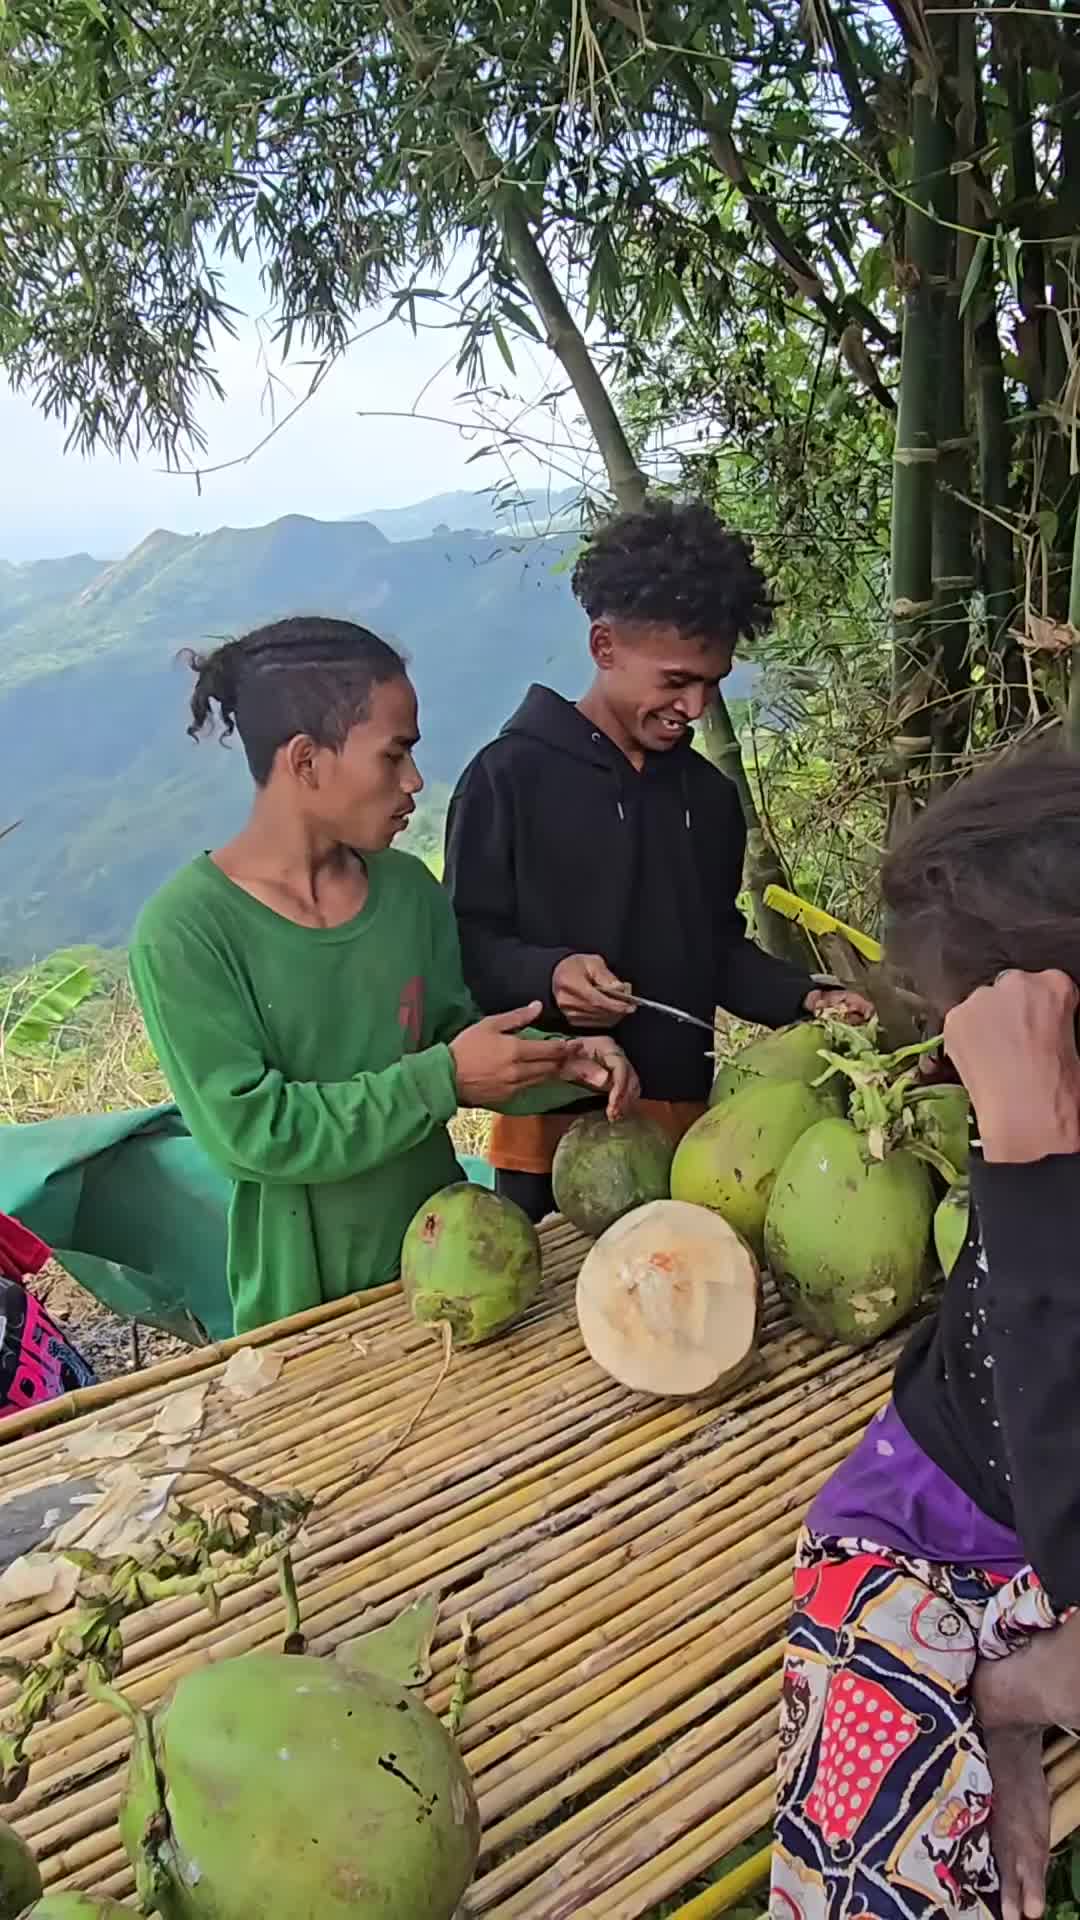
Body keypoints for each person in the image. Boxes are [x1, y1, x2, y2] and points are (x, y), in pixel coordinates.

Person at [129, 617, 638, 1336]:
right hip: (304, 1305)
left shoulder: (406, 892)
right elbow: (253, 1132)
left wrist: (561, 1060)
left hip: (454, 1264)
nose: (415, 782)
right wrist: (444, 1082)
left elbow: (449, 1036)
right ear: (306, 761)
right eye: (395, 754)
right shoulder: (187, 932)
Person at [772, 751, 1080, 1920]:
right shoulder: (1024, 1145)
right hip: (935, 1520)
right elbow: (989, 1364)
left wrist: (1040, 1155)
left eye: (965, 1033)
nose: (951, 1062)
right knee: (860, 1871)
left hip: (1064, 1525)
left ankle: (1016, 1689)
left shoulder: (1038, 1141)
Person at [445, 499, 871, 1221]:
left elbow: (714, 948)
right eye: (675, 680)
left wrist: (805, 997)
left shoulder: (707, 799)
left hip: (688, 1131)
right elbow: (466, 946)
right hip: (548, 1128)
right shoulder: (506, 779)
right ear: (604, 646)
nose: (696, 705)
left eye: (712, 682)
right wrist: (546, 974)